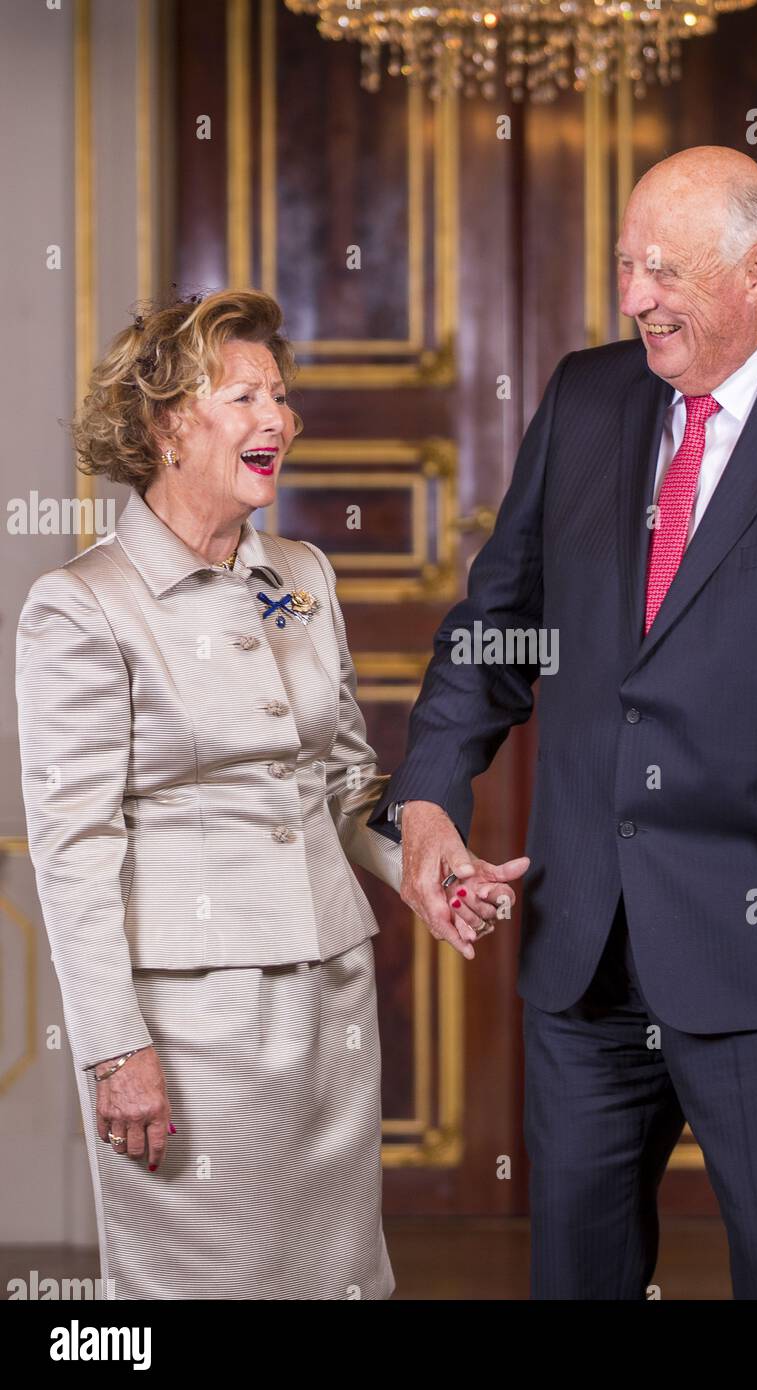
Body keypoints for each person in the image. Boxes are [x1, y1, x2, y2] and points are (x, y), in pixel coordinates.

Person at [370, 147, 757, 1299]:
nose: (633, 296)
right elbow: (498, 623)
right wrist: (429, 796)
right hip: (585, 953)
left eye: (664, 271)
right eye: (623, 265)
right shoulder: (585, 395)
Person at [15, 288, 523, 1299]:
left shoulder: (301, 574)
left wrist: (425, 862)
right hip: (188, 1025)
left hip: (329, 999)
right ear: (167, 425)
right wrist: (115, 1048)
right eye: (243, 396)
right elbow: (73, 847)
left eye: (281, 398)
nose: (277, 420)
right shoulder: (79, 608)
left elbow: (341, 778)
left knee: (340, 1279)